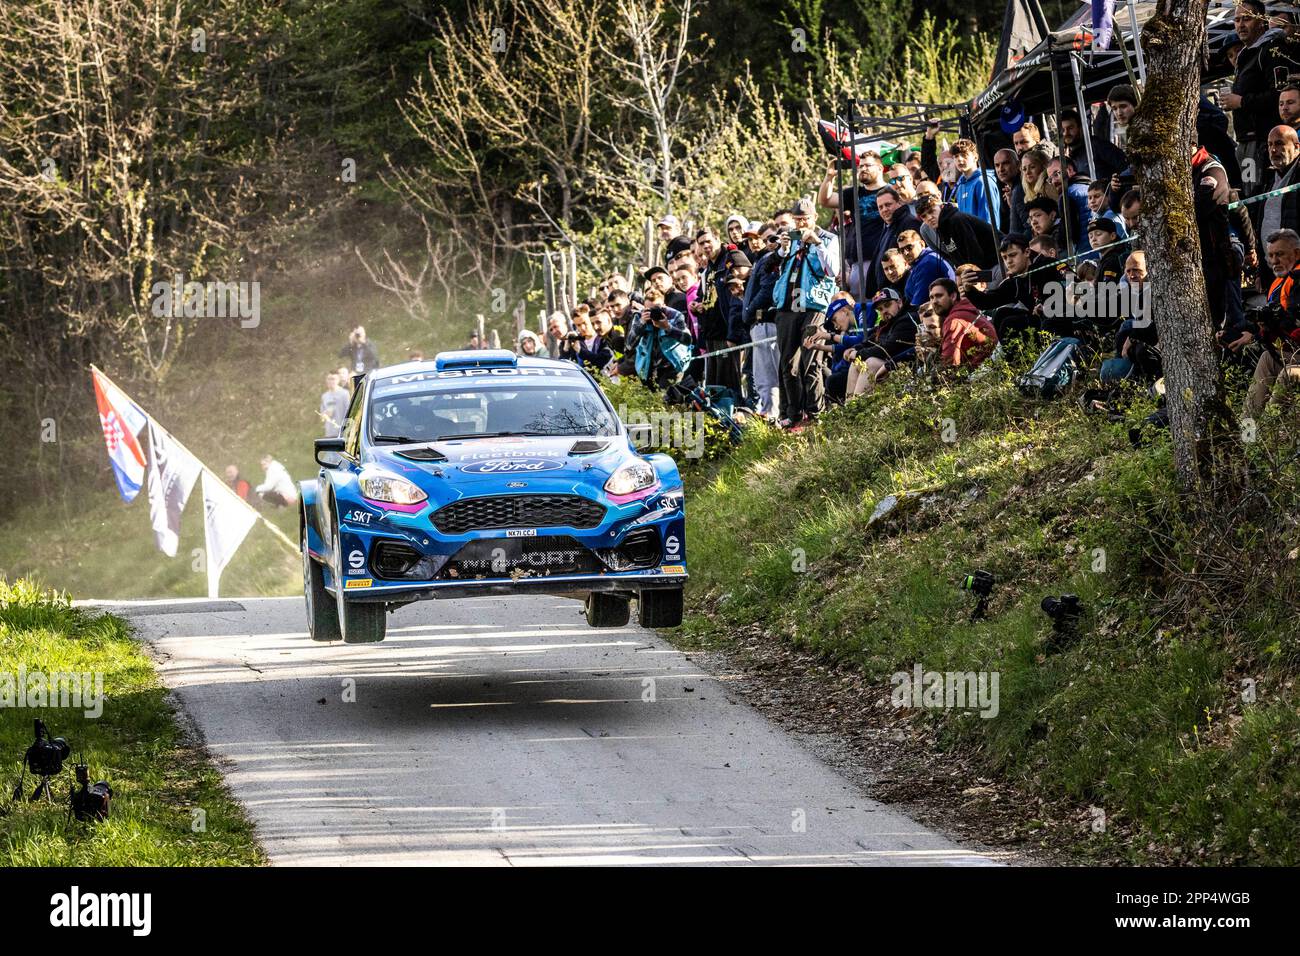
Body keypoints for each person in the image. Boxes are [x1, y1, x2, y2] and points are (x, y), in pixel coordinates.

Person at [771, 196, 840, 428]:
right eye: (797, 219)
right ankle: (794, 414)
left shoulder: (828, 238)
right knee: (788, 364)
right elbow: (778, 267)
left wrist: (816, 243)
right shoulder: (791, 239)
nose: (800, 224)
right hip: (787, 306)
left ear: (814, 217)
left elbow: (832, 269)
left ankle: (817, 413)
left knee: (810, 361)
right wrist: (783, 248)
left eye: (805, 219)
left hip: (814, 305)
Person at [1222, 1, 1285, 194]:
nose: (1241, 24)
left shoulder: (1269, 51)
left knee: (1256, 194)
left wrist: (1241, 102)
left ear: (1261, 22)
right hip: (1246, 141)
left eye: (1247, 19)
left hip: (1261, 141)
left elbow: (1279, 95)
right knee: (1248, 192)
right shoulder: (1249, 54)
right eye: (1237, 20)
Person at [816, 151, 888, 299]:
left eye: (868, 165)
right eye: (860, 166)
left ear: (880, 168)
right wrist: (830, 176)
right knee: (861, 309)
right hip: (859, 263)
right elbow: (825, 200)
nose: (863, 169)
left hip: (884, 259)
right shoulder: (854, 193)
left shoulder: (890, 192)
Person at [1244, 228, 1300, 416]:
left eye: (1280, 254)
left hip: (1296, 360)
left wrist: (1280, 322)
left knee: (1289, 374)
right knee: (1267, 359)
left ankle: (1269, 440)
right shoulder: (1278, 284)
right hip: (1290, 353)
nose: (1274, 261)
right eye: (1271, 256)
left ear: (1297, 253)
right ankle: (1247, 438)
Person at [844, 288, 917, 398]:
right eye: (880, 309)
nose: (884, 311)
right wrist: (854, 349)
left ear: (899, 302)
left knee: (870, 363)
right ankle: (849, 407)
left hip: (907, 367)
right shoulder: (887, 323)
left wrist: (859, 354)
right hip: (891, 366)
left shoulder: (907, 319)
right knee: (856, 363)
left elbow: (888, 349)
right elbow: (870, 340)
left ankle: (856, 407)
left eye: (887, 305)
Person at [914, 193, 998, 270]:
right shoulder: (941, 227)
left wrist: (976, 281)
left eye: (931, 211)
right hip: (986, 268)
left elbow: (975, 256)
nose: (929, 218)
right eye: (924, 216)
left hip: (998, 263)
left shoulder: (956, 220)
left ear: (941, 206)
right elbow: (957, 260)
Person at [929, 278, 998, 369]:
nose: (934, 301)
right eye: (931, 297)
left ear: (953, 296)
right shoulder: (966, 310)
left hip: (982, 374)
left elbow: (949, 363)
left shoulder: (955, 319)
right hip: (989, 368)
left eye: (939, 296)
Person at [897, 229, 955, 307]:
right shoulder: (920, 261)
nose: (906, 253)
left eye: (909, 247)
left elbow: (919, 304)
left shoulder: (927, 263)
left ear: (922, 244)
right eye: (901, 250)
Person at [318, 372, 350, 438]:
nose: (331, 381)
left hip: (342, 433)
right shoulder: (324, 396)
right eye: (329, 379)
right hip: (329, 433)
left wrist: (347, 430)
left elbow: (349, 413)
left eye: (333, 379)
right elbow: (322, 417)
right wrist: (325, 415)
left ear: (338, 380)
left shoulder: (345, 394)